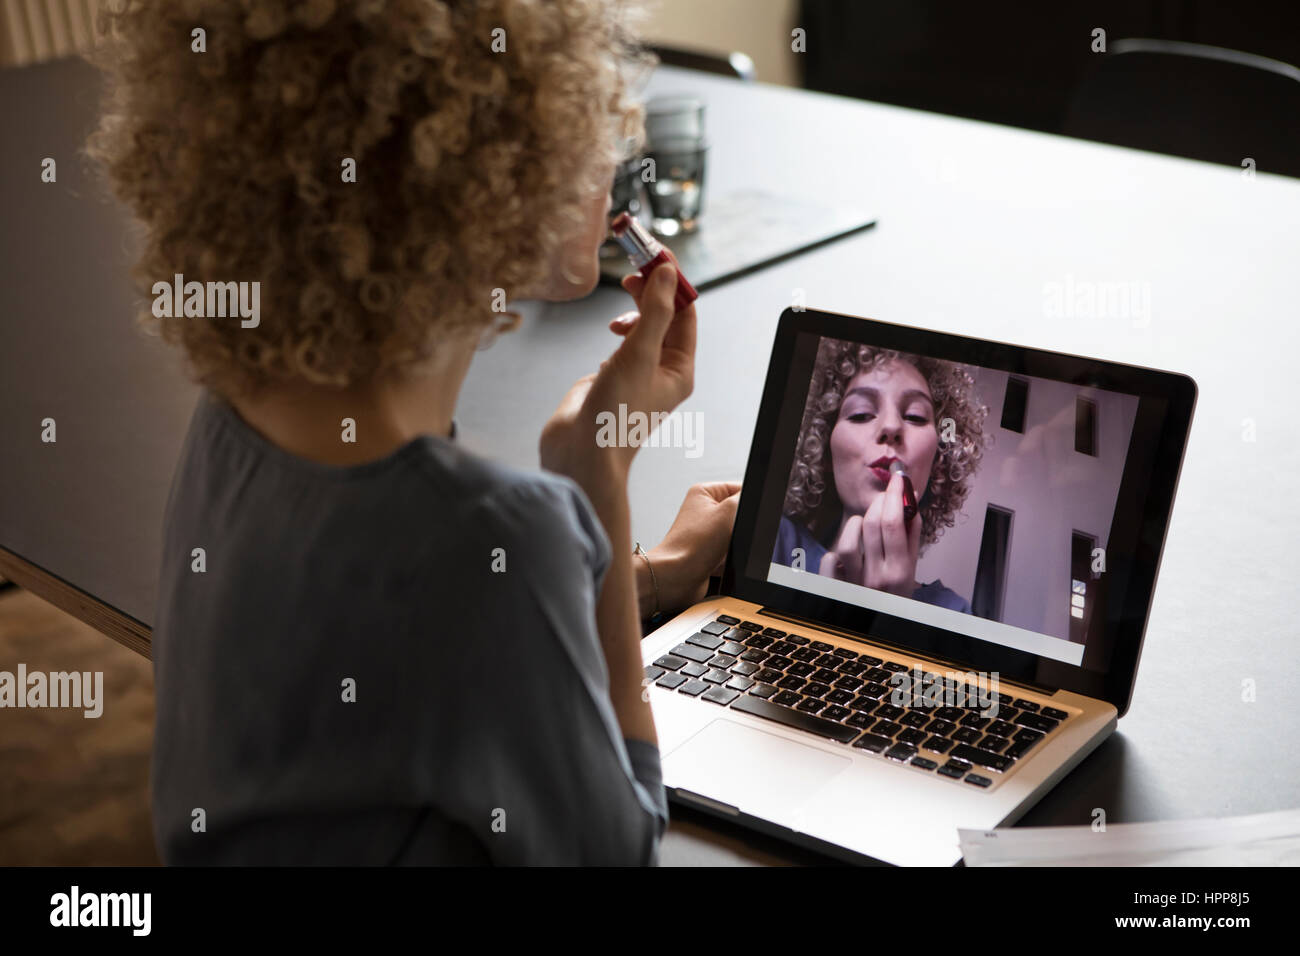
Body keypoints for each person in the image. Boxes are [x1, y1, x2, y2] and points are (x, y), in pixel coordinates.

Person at [88, 0, 738, 864]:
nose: (614, 151)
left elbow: (448, 642)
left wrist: (638, 573)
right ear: (483, 173)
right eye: (585, 114)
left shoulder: (231, 424)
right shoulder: (489, 538)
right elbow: (618, 847)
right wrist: (597, 480)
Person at [773, 338, 987, 613]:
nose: (891, 426)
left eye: (915, 416)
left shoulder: (954, 612)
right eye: (861, 414)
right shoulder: (776, 542)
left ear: (938, 462)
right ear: (824, 451)